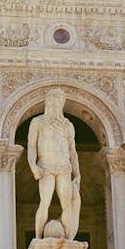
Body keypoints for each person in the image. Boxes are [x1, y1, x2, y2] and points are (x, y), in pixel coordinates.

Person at [26, 88, 81, 240]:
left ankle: (69, 240)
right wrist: (33, 165)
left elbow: (72, 151)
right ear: (47, 102)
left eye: (59, 101)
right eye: (53, 100)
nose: (56, 104)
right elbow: (31, 146)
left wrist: (77, 173)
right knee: (45, 203)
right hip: (46, 168)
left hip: (64, 168)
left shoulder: (68, 125)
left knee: (67, 205)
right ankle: (37, 238)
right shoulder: (38, 122)